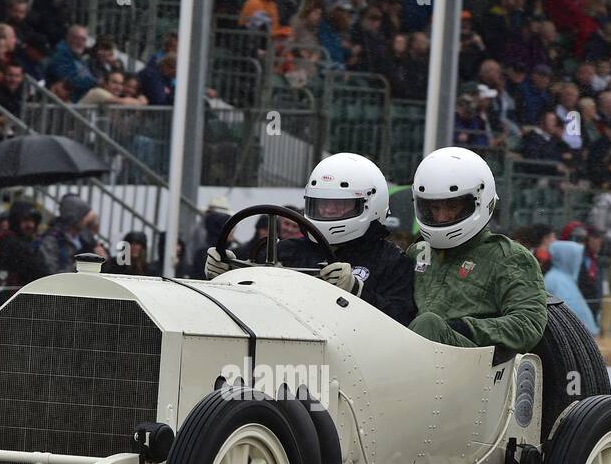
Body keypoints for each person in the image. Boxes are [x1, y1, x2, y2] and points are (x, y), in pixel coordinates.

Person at [204, 153, 416, 325]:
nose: (330, 211)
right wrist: (228, 274)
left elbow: (402, 320)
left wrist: (357, 291)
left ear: (370, 204)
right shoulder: (287, 251)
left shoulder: (392, 261)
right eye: (322, 204)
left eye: (340, 205)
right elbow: (249, 304)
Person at [407, 147, 548, 351]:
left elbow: (528, 324)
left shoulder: (509, 257)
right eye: (434, 208)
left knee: (429, 324)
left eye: (452, 207)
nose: (441, 217)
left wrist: (466, 328)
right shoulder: (418, 252)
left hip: (471, 363)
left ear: (480, 201)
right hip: (409, 356)